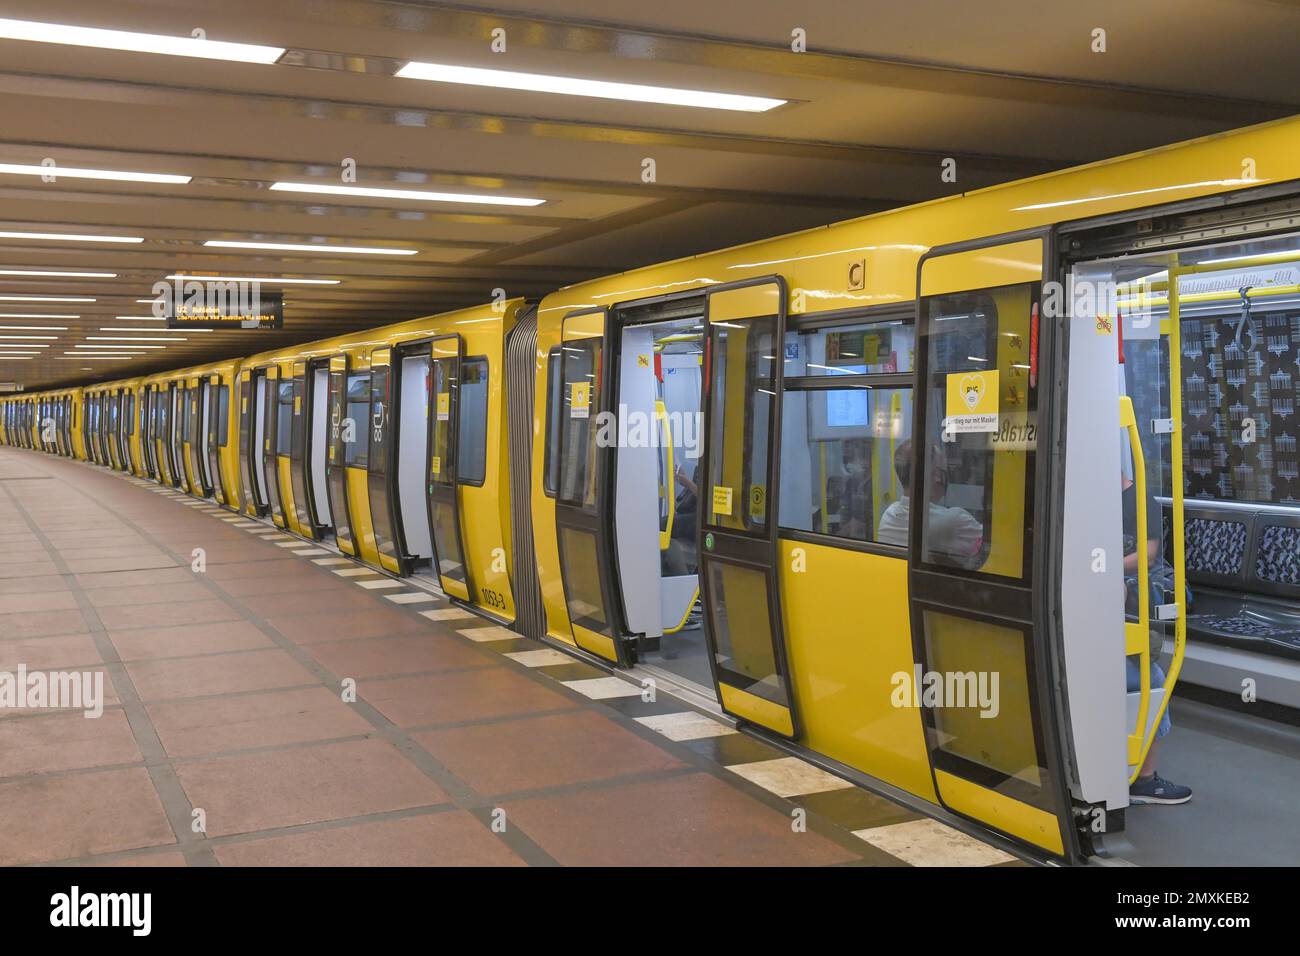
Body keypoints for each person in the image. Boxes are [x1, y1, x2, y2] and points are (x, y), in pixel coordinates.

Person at [1122, 472, 1193, 805]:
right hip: (1109, 600)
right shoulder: (1082, 497)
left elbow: (1147, 556)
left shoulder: (1138, 500)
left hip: (1130, 597)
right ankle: (1142, 779)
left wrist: (1100, 568)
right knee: (1149, 680)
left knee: (1149, 676)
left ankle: (1141, 774)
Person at [876, 439, 984, 568]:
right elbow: (994, 546)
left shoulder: (889, 514)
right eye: (944, 469)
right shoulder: (954, 519)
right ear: (936, 476)